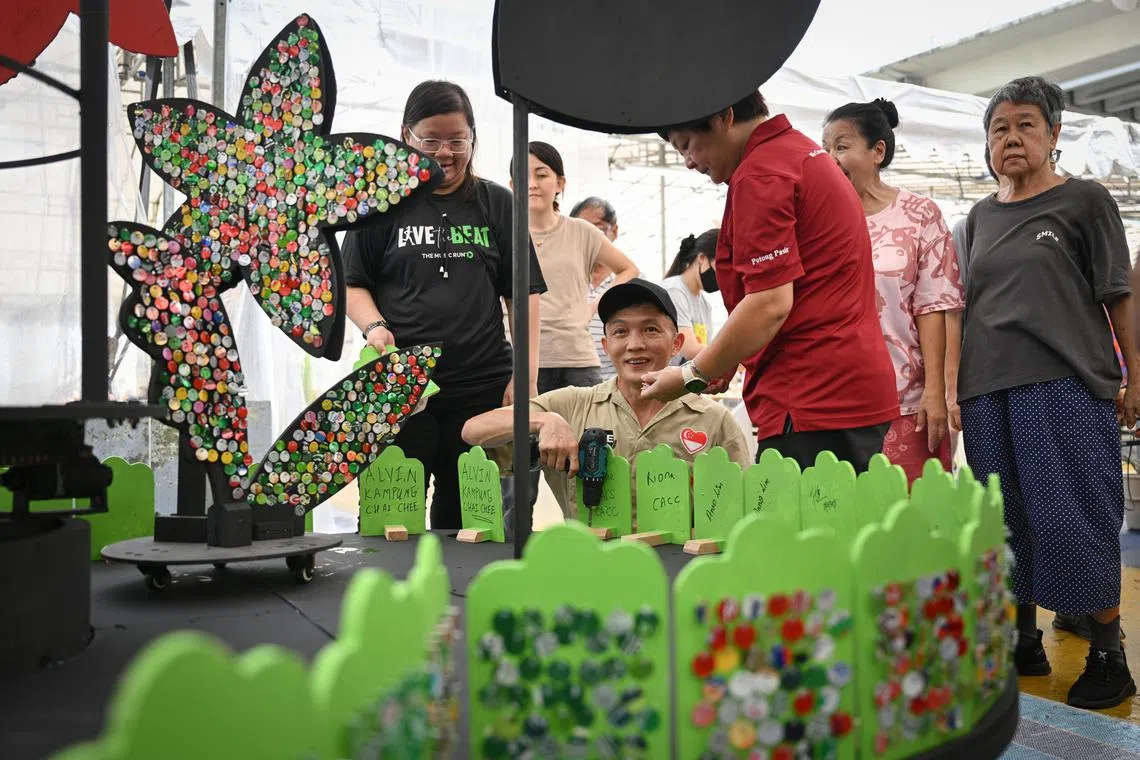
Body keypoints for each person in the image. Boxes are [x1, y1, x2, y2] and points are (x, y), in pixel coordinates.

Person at [957, 76, 1138, 709]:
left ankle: (1109, 654)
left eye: (1025, 125)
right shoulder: (978, 217)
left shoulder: (1084, 200)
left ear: (1054, 133)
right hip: (985, 389)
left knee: (1073, 514)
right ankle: (1022, 640)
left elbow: (1118, 292)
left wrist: (1134, 375)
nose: (1011, 138)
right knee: (1006, 519)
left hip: (1064, 382)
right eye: (998, 129)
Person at [643, 91, 899, 474]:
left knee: (803, 512)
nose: (689, 161)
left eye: (686, 145)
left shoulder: (762, 174)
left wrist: (691, 375)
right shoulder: (800, 153)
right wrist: (726, 359)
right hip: (845, 385)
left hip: (812, 395)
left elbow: (770, 304)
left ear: (723, 117)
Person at [341, 80, 546, 530]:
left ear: (473, 138)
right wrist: (374, 327)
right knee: (391, 518)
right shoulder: (379, 205)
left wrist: (524, 378)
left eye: (458, 140)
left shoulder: (498, 204)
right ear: (406, 135)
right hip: (400, 385)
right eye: (431, 141)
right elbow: (352, 285)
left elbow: (523, 295)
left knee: (469, 521)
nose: (446, 153)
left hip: (480, 387)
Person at [462, 279, 750, 525]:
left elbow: (741, 509)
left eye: (650, 329)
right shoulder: (573, 404)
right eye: (620, 332)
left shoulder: (713, 421)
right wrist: (545, 421)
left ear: (677, 343)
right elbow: (473, 430)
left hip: (678, 568)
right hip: (589, 566)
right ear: (606, 345)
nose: (634, 344)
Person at [822, 99, 964, 484]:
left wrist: (935, 392)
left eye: (841, 146)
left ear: (878, 151)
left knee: (914, 511)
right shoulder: (818, 220)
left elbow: (934, 307)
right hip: (834, 403)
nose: (830, 158)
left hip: (906, 401)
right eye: (825, 148)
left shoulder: (919, 214)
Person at [523, 143, 638, 393]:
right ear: (513, 185)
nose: (532, 184)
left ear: (560, 183)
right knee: (528, 421)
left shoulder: (581, 231)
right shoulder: (504, 233)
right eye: (523, 176)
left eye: (541, 175)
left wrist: (592, 306)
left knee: (593, 418)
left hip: (577, 358)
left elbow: (628, 269)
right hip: (523, 360)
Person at [570, 197, 621, 380]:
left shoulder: (633, 283)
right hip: (571, 382)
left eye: (598, 230)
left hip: (617, 385)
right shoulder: (564, 280)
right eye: (583, 230)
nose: (591, 238)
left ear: (614, 231)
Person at [661, 229, 720, 364]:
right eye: (720, 268)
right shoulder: (674, 290)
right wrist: (731, 355)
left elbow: (704, 349)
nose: (722, 277)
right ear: (702, 258)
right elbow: (690, 350)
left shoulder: (705, 305)